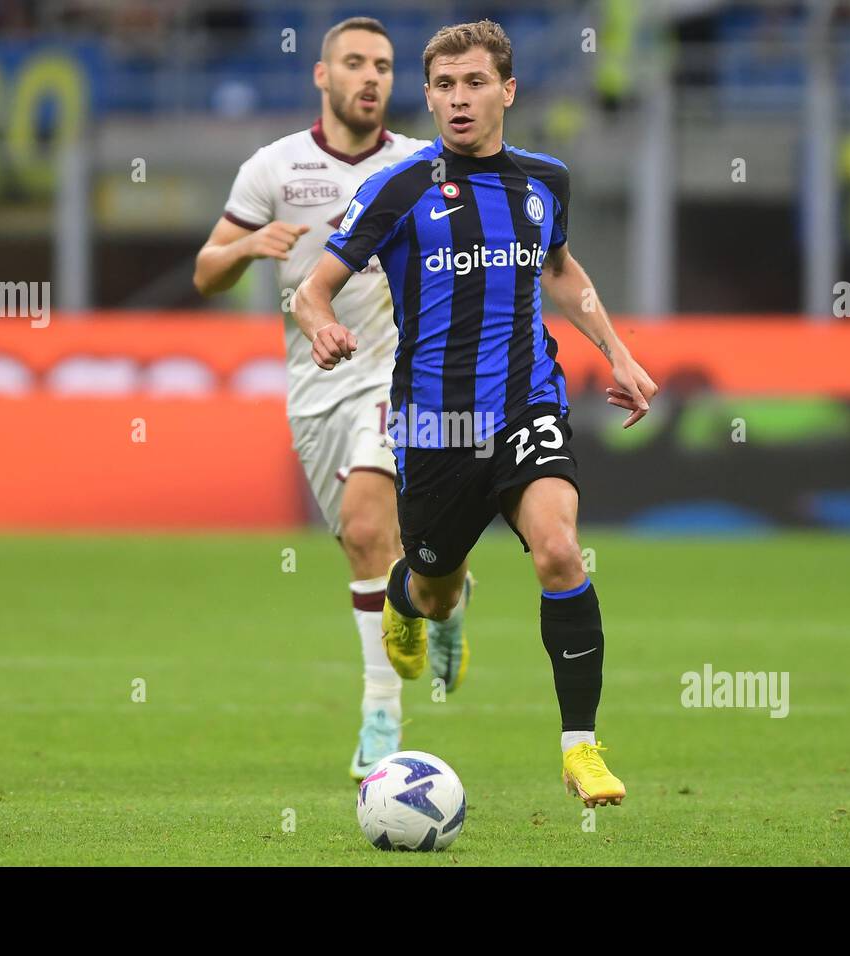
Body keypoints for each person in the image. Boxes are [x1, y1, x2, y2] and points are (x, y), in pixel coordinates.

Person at [293, 19, 659, 807]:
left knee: (561, 549)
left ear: (508, 91)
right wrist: (321, 324)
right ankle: (410, 594)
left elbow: (559, 267)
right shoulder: (399, 189)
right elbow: (311, 287)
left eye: (475, 84)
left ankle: (581, 749)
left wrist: (616, 352)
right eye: (445, 86)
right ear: (428, 95)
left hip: (528, 400)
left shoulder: (544, 184)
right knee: (434, 585)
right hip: (432, 426)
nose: (458, 100)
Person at [194, 17, 473, 781]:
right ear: (323, 77)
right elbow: (205, 271)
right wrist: (249, 247)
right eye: (355, 63)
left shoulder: (424, 164)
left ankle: (380, 715)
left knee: (363, 524)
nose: (371, 77)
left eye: (383, 65)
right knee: (373, 553)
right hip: (314, 387)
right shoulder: (274, 168)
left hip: (400, 374)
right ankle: (445, 597)